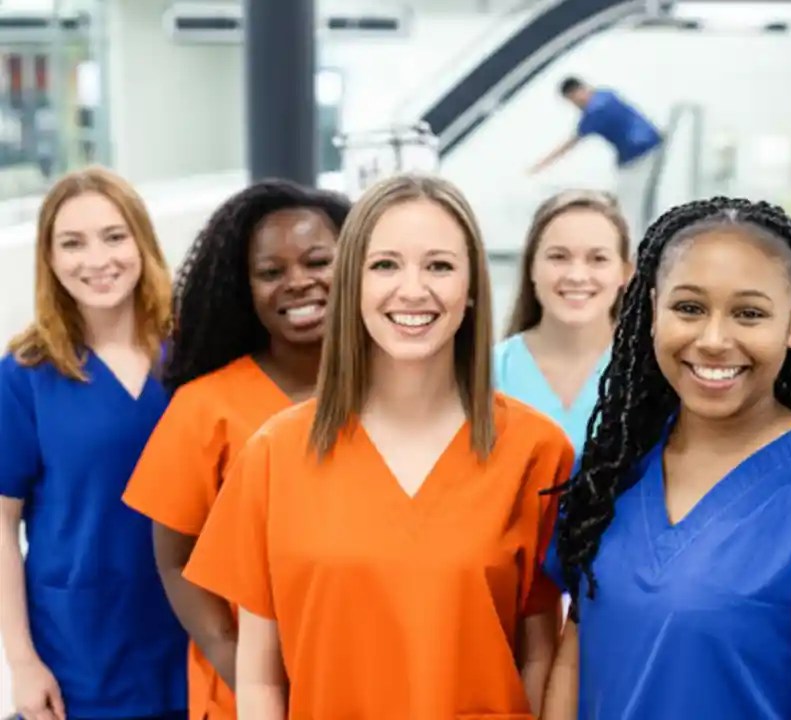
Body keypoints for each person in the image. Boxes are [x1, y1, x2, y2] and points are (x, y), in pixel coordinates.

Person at [182, 174, 572, 718]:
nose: (412, 289)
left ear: (473, 288)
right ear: (352, 285)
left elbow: (539, 655)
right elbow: (261, 680)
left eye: (439, 265)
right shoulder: (274, 454)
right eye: (385, 265)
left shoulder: (536, 452)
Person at [541, 197, 791, 719]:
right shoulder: (613, 465)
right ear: (653, 309)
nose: (714, 339)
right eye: (689, 308)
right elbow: (576, 652)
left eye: (749, 313)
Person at [122, 180, 352, 720]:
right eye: (271, 272)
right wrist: (238, 666)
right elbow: (175, 560)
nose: (298, 283)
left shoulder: (398, 395)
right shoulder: (205, 407)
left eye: (318, 261)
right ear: (242, 287)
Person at [0, 166, 187, 720]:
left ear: (142, 242)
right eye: (73, 243)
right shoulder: (25, 375)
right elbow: (2, 528)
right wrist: (22, 662)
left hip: (192, 637)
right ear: (51, 260)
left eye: (114, 236)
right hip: (81, 654)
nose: (97, 260)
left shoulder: (195, 357)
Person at [494, 189, 631, 455]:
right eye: (559, 257)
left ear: (624, 273)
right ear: (532, 267)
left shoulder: (653, 373)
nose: (577, 275)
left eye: (598, 259)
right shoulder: (487, 373)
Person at [528, 77, 664, 234]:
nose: (575, 105)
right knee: (630, 202)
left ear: (579, 90)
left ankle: (632, 247)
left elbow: (570, 143)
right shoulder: (607, 94)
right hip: (648, 148)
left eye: (573, 100)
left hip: (640, 155)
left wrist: (540, 165)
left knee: (628, 207)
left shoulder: (595, 110)